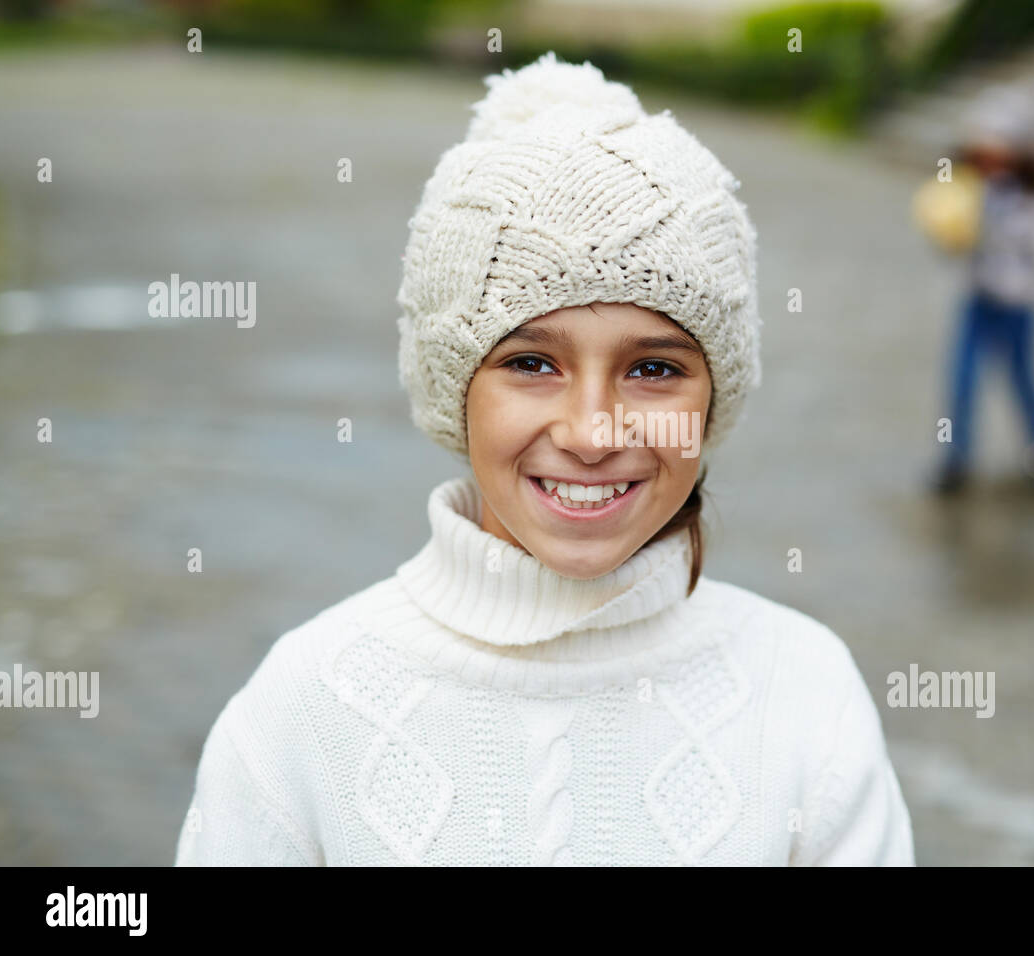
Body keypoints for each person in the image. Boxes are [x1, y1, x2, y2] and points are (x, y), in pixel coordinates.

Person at [174, 52, 914, 866]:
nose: (592, 433)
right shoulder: (306, 702)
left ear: (713, 402)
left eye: (653, 369)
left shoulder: (805, 694)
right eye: (531, 364)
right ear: (456, 392)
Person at [921, 83, 1034, 495]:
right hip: (978, 300)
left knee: (1024, 379)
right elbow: (952, 236)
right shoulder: (967, 190)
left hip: (1018, 305)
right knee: (962, 380)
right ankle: (955, 458)